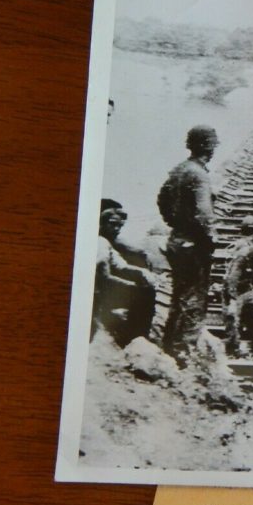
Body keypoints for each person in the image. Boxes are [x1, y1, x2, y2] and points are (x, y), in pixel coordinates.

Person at [157, 125, 220, 366]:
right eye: (213, 145)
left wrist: (174, 223)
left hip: (177, 240)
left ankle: (169, 346)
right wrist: (209, 238)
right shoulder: (199, 174)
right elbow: (204, 214)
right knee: (194, 298)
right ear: (207, 146)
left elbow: (162, 199)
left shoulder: (179, 170)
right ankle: (185, 354)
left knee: (178, 295)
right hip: (193, 246)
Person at [93, 199, 156, 346]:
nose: (117, 229)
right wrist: (136, 287)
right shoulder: (100, 242)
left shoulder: (107, 242)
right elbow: (104, 277)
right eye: (112, 224)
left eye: (119, 225)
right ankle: (134, 339)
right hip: (93, 291)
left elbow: (121, 266)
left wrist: (143, 273)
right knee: (144, 294)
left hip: (101, 287)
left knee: (145, 288)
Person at [223, 220, 253, 357]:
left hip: (248, 288)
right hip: (236, 290)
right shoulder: (244, 255)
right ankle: (232, 351)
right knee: (233, 321)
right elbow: (232, 278)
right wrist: (232, 299)